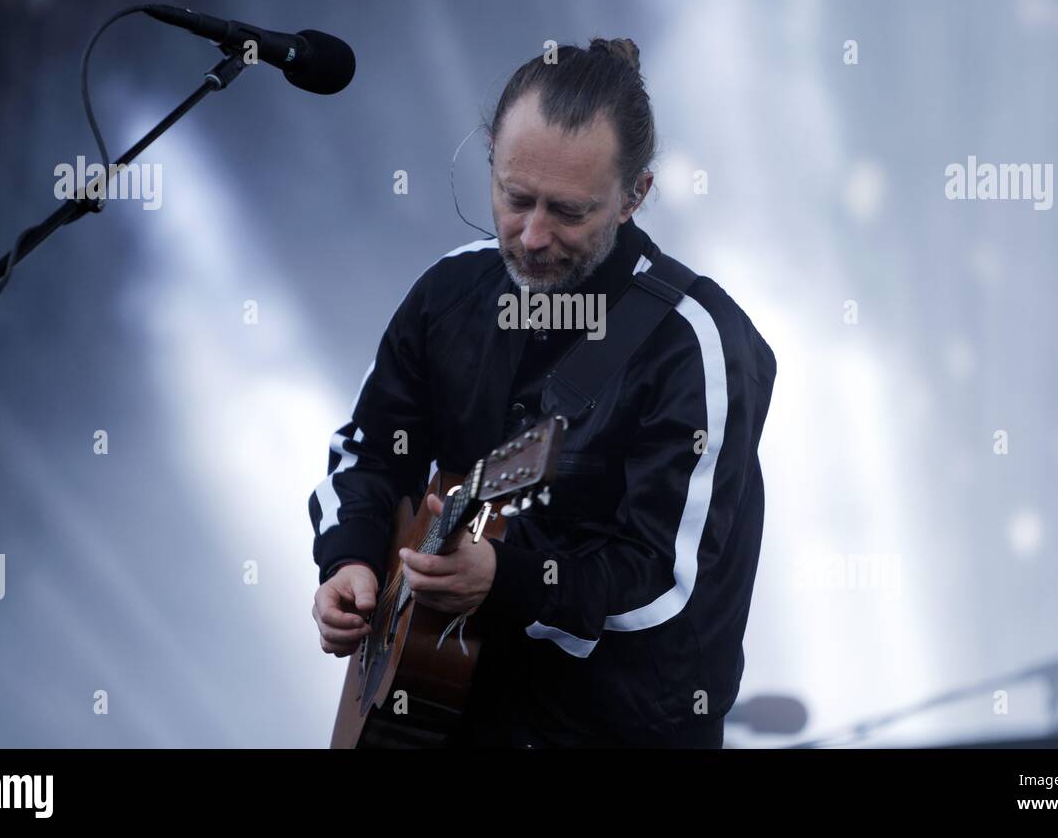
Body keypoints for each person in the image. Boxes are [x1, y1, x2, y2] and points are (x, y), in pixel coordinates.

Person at [309, 37, 776, 747]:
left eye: (568, 211)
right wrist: (349, 559)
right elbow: (370, 449)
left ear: (634, 195)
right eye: (513, 196)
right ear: (492, 153)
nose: (530, 235)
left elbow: (669, 585)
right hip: (441, 713)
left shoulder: (697, 345)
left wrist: (511, 580)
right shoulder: (450, 293)